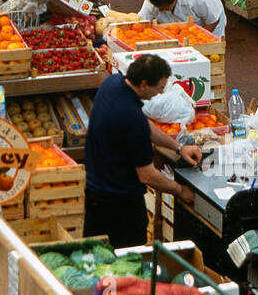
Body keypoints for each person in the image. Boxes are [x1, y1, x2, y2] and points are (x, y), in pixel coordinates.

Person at [83, 54, 203, 247]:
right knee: (127, 261)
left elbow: (146, 126)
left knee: (95, 255)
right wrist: (181, 191)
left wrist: (179, 147)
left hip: (94, 193)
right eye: (160, 88)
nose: (161, 93)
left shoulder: (112, 84)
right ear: (144, 84)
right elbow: (147, 175)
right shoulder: (132, 120)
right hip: (120, 204)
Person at [139, 0, 226, 37]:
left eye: (164, 8)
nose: (160, 10)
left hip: (210, 23)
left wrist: (197, 39)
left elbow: (213, 20)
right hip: (179, 29)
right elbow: (141, 22)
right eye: (158, 7)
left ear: (174, 0)